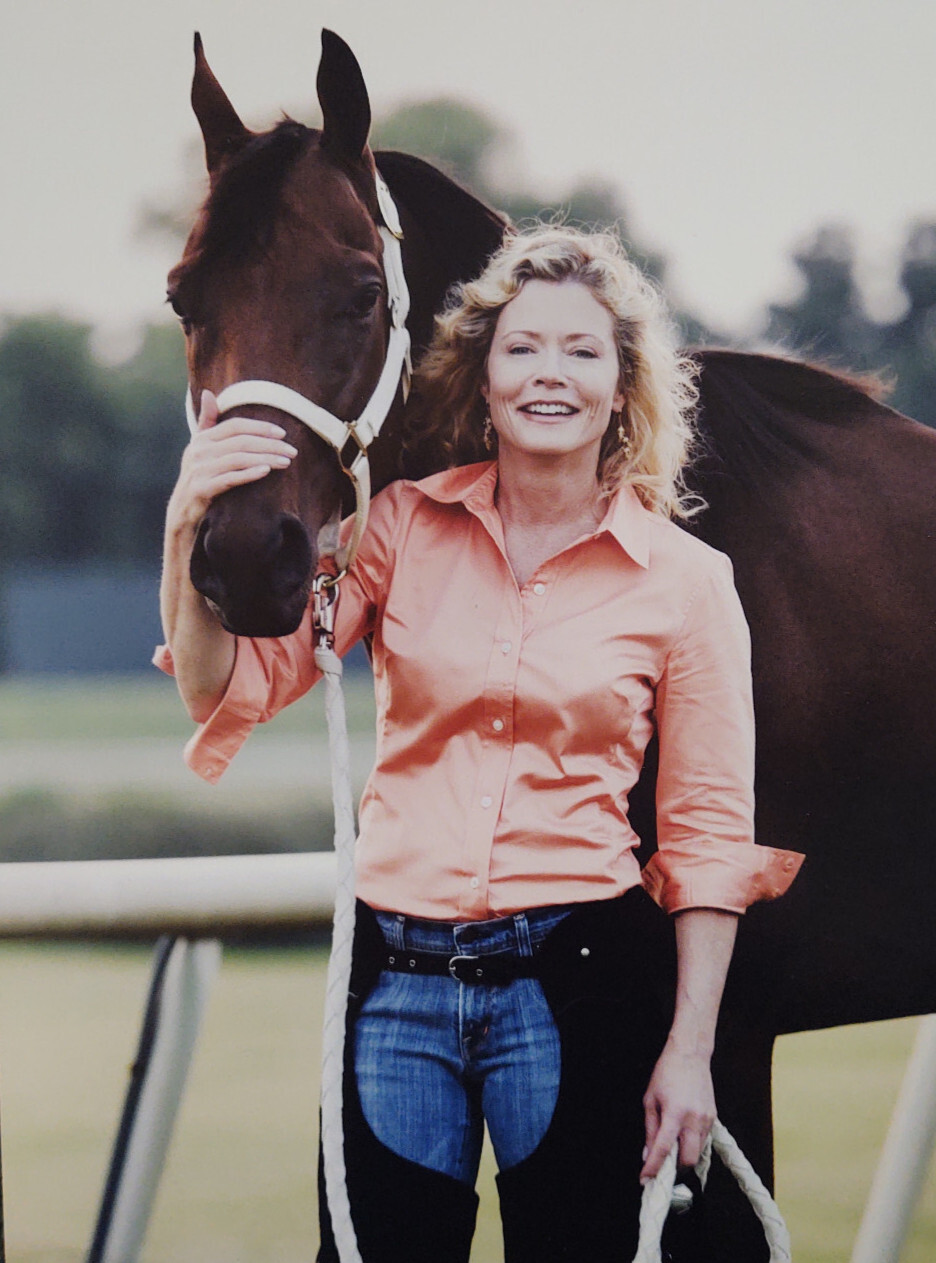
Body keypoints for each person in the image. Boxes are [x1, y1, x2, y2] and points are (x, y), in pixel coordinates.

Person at [158, 225, 802, 1262]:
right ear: (483, 377)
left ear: (622, 385)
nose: (551, 373)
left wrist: (690, 1051)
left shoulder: (687, 582)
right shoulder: (399, 527)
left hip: (579, 980)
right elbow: (228, 687)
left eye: (583, 351)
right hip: (396, 986)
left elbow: (709, 838)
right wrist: (185, 523)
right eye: (524, 348)